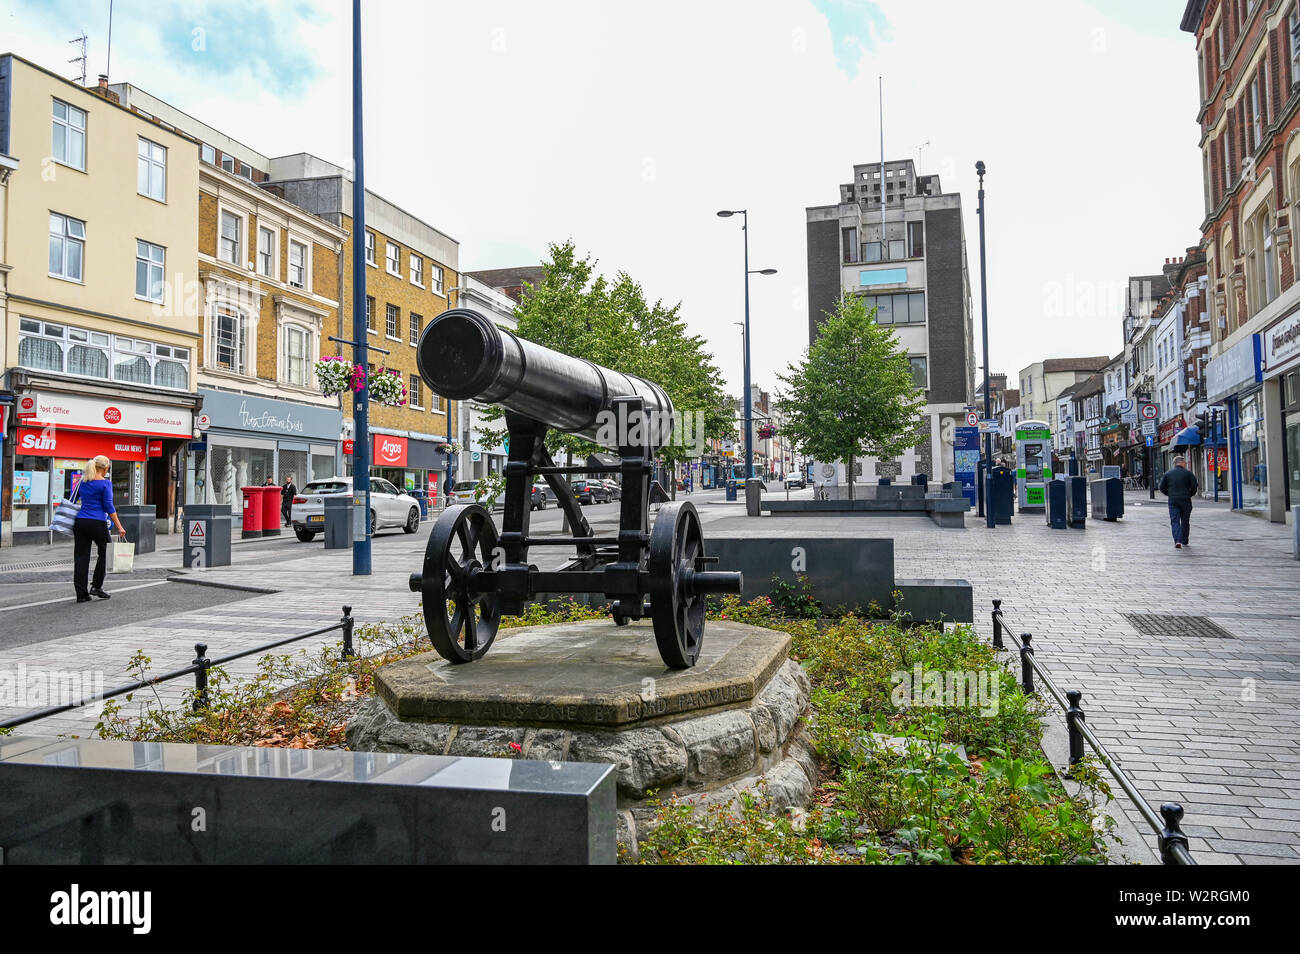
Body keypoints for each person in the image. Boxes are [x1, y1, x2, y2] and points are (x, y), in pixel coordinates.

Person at [73, 455, 128, 602]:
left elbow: (72, 500)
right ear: (105, 468)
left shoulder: (82, 482)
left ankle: (81, 594)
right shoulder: (105, 484)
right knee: (106, 552)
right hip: (97, 522)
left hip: (80, 522)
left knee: (80, 557)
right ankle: (96, 586)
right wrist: (119, 526)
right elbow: (109, 507)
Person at [1158, 455, 1199, 549]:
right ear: (1182, 463)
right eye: (1185, 462)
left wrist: (1169, 494)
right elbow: (1194, 486)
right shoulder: (1188, 474)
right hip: (1185, 500)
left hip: (1173, 500)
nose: (1185, 464)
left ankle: (1177, 540)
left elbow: (1161, 487)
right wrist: (1189, 494)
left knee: (1174, 520)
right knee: (1185, 521)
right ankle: (1184, 539)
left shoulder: (1168, 474)